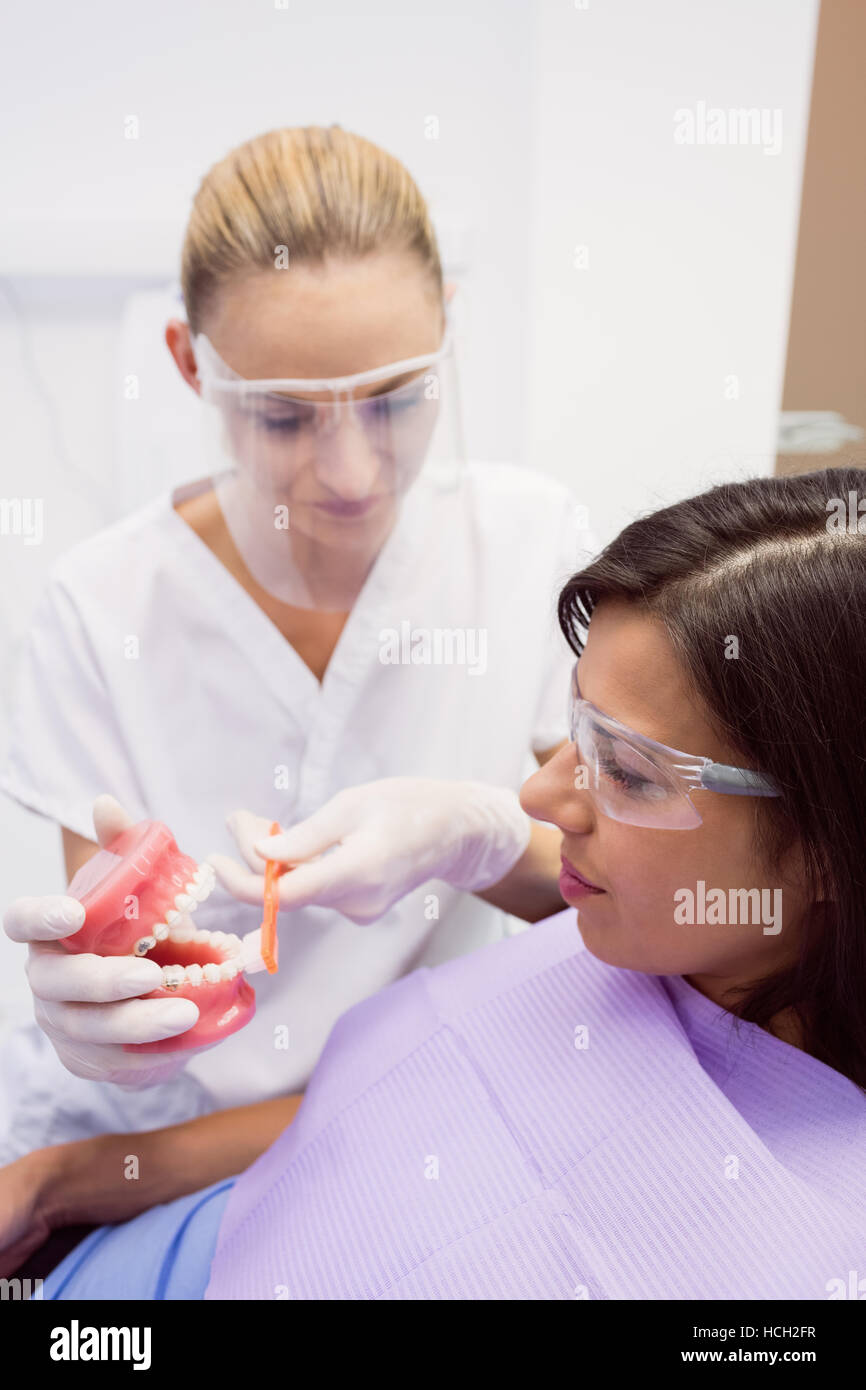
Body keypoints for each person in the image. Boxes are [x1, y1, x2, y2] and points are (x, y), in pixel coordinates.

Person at [22, 467, 866, 1300]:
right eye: (576, 726)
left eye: (631, 771)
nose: (539, 793)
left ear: (832, 843)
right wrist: (54, 1182)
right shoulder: (614, 938)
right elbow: (347, 1127)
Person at [0, 127, 592, 1217]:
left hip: (407, 1121)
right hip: (147, 1155)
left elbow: (610, 903)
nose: (353, 474)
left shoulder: (526, 546)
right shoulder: (101, 609)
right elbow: (122, 956)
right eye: (282, 416)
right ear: (190, 364)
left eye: (398, 398)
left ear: (446, 325)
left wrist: (480, 833)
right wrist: (104, 1025)